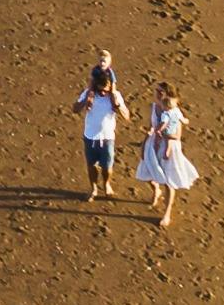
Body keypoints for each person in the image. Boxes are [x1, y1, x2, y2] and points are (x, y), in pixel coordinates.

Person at [137, 83, 200, 227]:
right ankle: (156, 190)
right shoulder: (154, 107)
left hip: (169, 147)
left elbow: (177, 135)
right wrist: (146, 140)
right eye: (156, 90)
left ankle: (167, 214)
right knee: (147, 172)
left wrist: (163, 134)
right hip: (153, 144)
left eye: (160, 91)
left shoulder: (174, 111)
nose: (157, 93)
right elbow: (151, 127)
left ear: (167, 94)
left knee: (169, 182)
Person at [75, 54, 124, 200]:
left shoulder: (115, 95)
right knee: (91, 165)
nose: (102, 92)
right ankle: (93, 188)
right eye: (100, 89)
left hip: (108, 138)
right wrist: (86, 101)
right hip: (90, 137)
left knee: (107, 167)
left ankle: (106, 184)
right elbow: (75, 109)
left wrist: (117, 106)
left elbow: (127, 116)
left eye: (105, 90)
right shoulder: (89, 93)